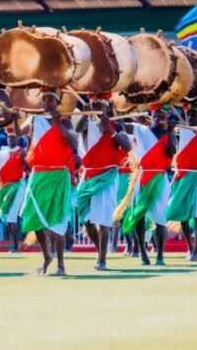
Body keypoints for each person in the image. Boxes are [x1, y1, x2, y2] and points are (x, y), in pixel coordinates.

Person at [18, 92, 78, 276]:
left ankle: (61, 264)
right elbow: (20, 132)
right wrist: (15, 119)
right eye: (43, 99)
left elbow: (73, 142)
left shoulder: (65, 121)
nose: (46, 102)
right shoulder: (35, 119)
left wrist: (57, 123)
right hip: (38, 175)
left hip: (59, 174)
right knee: (32, 216)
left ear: (58, 102)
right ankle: (46, 256)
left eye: (50, 99)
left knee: (57, 221)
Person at [75, 100, 131, 270]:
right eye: (95, 106)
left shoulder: (117, 125)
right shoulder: (87, 124)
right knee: (86, 219)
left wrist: (111, 131)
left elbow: (127, 146)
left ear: (108, 108)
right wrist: (85, 114)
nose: (98, 109)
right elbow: (78, 130)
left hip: (107, 176)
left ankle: (102, 259)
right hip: (88, 176)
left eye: (101, 106)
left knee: (104, 219)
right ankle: (101, 250)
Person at [121, 108, 176, 266]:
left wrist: (170, 132)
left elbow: (171, 152)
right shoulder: (141, 129)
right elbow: (122, 126)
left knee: (160, 218)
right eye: (156, 115)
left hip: (160, 177)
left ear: (167, 118)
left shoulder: (168, 133)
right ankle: (142, 252)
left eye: (162, 116)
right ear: (151, 117)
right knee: (139, 215)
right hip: (143, 176)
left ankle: (160, 255)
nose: (159, 118)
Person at [165, 108, 197, 261]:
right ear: (185, 116)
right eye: (189, 114)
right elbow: (170, 146)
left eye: (195, 115)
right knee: (182, 214)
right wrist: (170, 129)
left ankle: (196, 251)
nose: (192, 117)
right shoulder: (179, 130)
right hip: (181, 174)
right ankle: (190, 247)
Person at [0, 131, 29, 252]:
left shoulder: (21, 151)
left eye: (13, 137)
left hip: (18, 185)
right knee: (8, 217)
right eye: (8, 137)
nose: (10, 139)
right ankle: (14, 244)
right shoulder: (3, 151)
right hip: (5, 187)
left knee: (12, 216)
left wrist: (25, 161)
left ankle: (15, 246)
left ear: (17, 139)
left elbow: (27, 165)